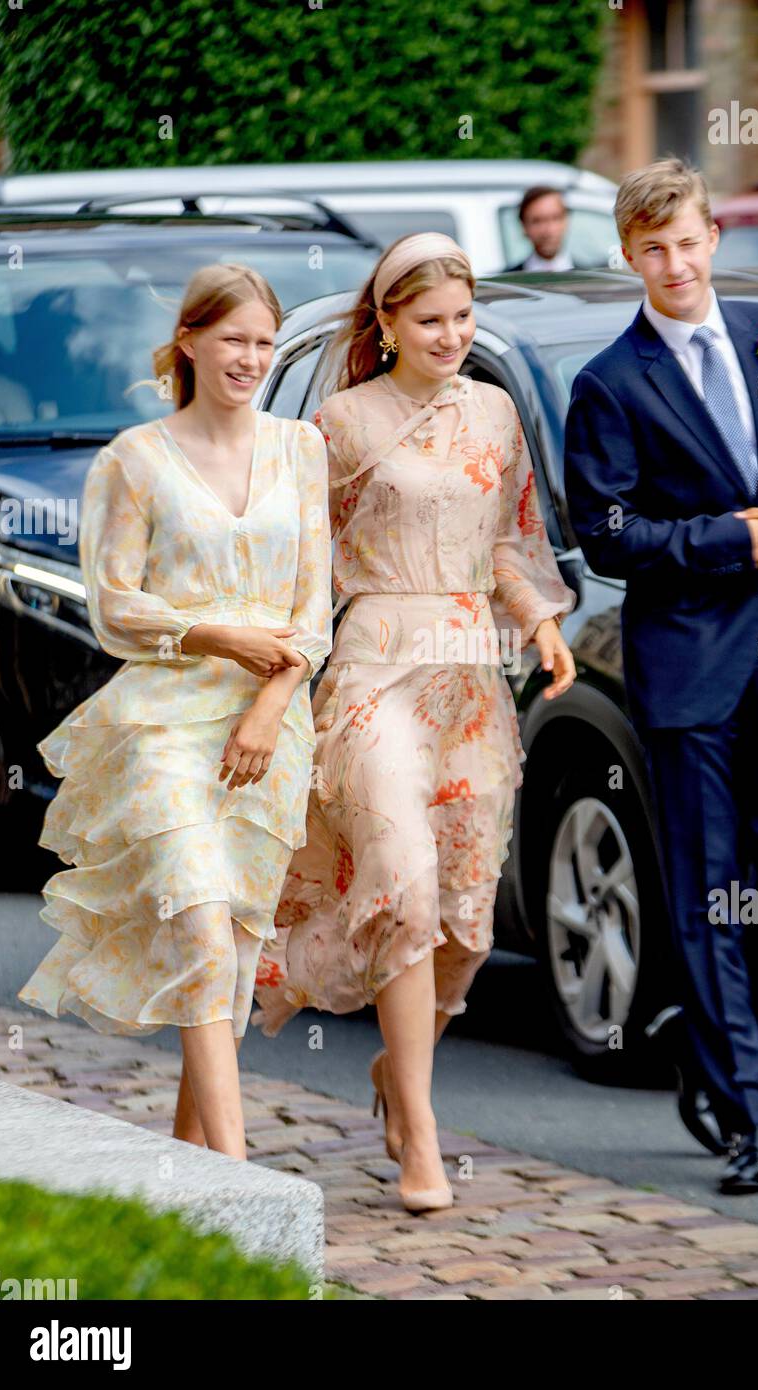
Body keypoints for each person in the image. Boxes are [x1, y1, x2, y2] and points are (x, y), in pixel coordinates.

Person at [564, 158, 758, 1194]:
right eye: (652, 249)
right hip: (685, 663)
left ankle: (694, 1027)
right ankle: (748, 1112)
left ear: (712, 238)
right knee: (704, 893)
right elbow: (607, 534)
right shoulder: (608, 382)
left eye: (688, 241)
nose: (675, 262)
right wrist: (731, 540)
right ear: (628, 257)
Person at [252, 232, 577, 1211]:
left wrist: (543, 629)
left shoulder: (494, 410)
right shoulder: (339, 424)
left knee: (466, 920)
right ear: (385, 321)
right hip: (373, 671)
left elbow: (514, 544)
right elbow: (299, 564)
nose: (450, 336)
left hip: (473, 680)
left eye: (464, 319)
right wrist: (271, 681)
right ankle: (422, 1136)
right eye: (429, 320)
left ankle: (400, 1075)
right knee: (400, 878)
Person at [17, 264, 333, 1160]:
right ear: (189, 341)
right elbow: (114, 605)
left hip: (271, 728)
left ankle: (193, 1165)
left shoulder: (301, 450)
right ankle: (236, 1176)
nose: (251, 358)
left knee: (231, 953)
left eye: (266, 343)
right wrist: (220, 637)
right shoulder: (134, 461)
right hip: (161, 720)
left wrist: (271, 702)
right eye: (233, 339)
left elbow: (315, 608)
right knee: (198, 918)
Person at [504, 186, 582, 272]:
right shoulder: (504, 282)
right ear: (523, 226)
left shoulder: (589, 279)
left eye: (555, 218)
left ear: (566, 220)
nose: (548, 231)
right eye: (537, 221)